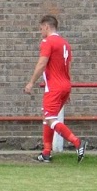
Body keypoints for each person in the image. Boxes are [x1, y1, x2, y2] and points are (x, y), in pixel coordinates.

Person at [23, 14, 84, 162]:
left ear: (46, 26)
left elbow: (42, 63)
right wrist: (67, 90)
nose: (40, 32)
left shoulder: (47, 42)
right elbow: (67, 67)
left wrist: (31, 82)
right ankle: (46, 153)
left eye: (40, 29)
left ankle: (77, 142)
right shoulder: (65, 44)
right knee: (47, 118)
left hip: (54, 87)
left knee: (50, 119)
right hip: (65, 86)